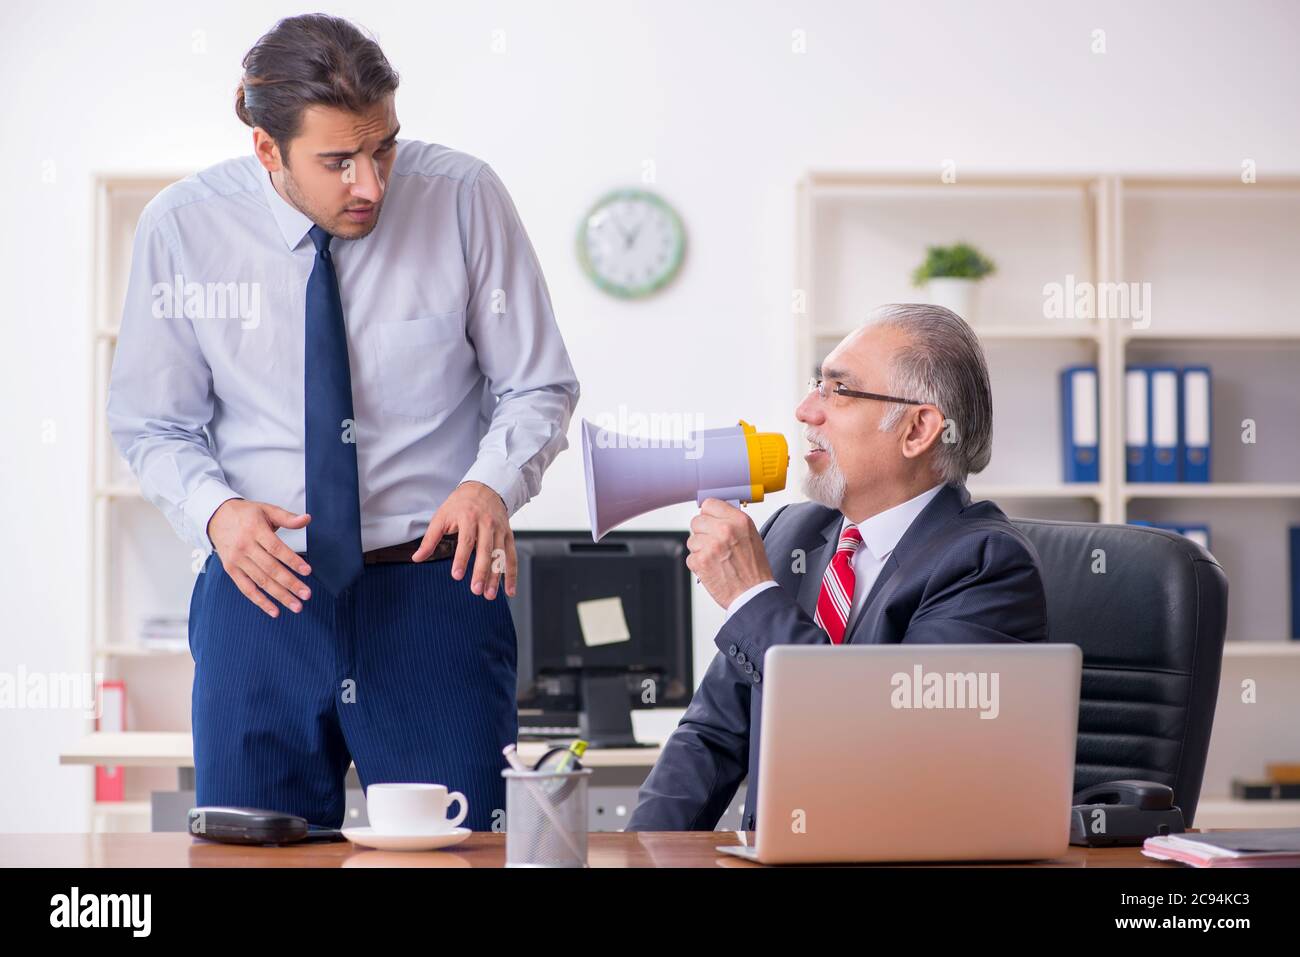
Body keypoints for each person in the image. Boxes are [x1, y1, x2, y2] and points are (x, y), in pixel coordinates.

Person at [106, 14, 579, 830]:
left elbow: (538, 384)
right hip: (263, 592)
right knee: (248, 850)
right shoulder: (181, 229)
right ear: (267, 150)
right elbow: (152, 422)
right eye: (338, 161)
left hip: (437, 587)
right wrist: (216, 512)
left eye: (385, 146)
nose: (371, 184)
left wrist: (487, 482)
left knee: (457, 853)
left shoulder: (465, 199)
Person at [626, 303, 1047, 832]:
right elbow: (711, 735)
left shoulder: (984, 566)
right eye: (815, 384)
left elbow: (889, 753)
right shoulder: (793, 534)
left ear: (918, 429)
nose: (805, 410)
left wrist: (754, 599)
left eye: (838, 391)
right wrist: (640, 853)